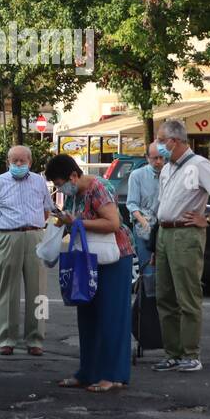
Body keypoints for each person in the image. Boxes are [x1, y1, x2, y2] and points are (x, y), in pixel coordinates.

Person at [151, 119, 210, 373]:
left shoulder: (198, 164)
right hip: (165, 233)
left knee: (187, 296)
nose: (158, 145)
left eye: (161, 140)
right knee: (165, 297)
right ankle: (173, 353)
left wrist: (207, 220)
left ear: (174, 141)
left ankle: (190, 354)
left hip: (186, 234)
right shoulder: (168, 168)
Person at [45, 154, 135, 392]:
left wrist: (77, 223)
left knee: (111, 316)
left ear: (74, 176)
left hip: (114, 257)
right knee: (87, 315)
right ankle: (88, 372)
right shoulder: (74, 194)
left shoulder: (98, 187)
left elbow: (113, 223)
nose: (60, 188)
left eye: (61, 183)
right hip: (88, 259)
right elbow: (74, 221)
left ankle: (113, 375)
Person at [0, 146, 53, 356]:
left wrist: (33, 226)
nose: (19, 164)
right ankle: (6, 339)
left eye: (23, 161)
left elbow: (47, 209)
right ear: (8, 162)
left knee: (39, 291)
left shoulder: (40, 182)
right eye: (15, 161)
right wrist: (5, 230)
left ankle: (36, 340)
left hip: (35, 236)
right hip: (7, 236)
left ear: (30, 162)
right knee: (7, 290)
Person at [125, 141, 164, 277]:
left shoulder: (169, 174)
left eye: (161, 158)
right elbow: (131, 204)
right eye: (155, 158)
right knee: (148, 270)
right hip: (144, 227)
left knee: (164, 272)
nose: (159, 162)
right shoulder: (137, 175)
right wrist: (143, 221)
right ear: (147, 158)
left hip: (164, 227)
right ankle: (147, 295)